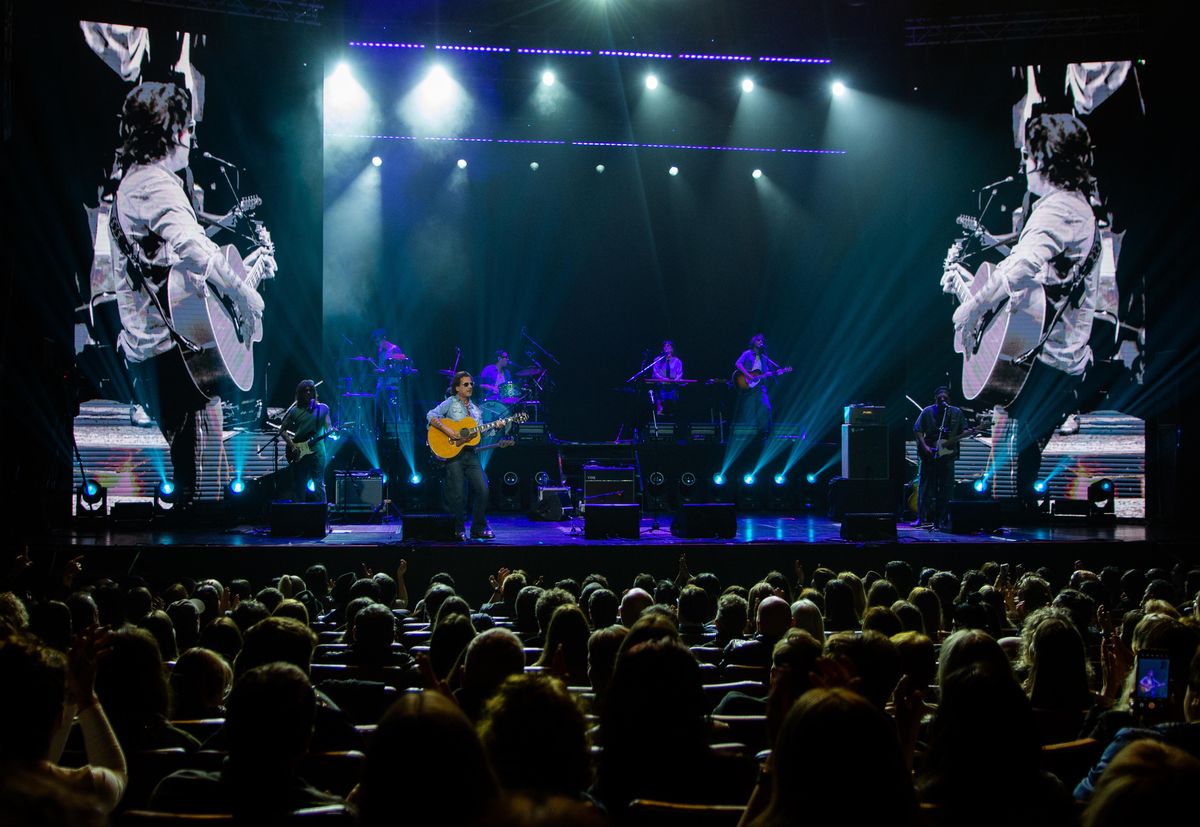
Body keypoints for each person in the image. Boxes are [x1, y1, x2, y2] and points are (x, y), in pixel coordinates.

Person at [111, 81, 271, 509]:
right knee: (202, 482)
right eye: (187, 128)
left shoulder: (144, 181)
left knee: (205, 472)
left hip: (173, 344)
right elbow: (194, 248)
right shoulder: (153, 185)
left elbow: (186, 271)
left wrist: (246, 272)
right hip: (168, 352)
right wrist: (244, 293)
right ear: (170, 131)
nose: (191, 138)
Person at [944, 112, 1103, 509]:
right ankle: (1016, 516)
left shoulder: (1060, 210)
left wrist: (972, 307)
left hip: (1048, 361)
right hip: (1040, 351)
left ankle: (1018, 516)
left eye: (1028, 155)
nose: (1024, 164)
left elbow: (1022, 266)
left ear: (1043, 159)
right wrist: (965, 285)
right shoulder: (1065, 206)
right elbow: (1024, 288)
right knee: (1017, 465)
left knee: (1017, 466)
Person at [427, 371, 494, 540]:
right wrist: (448, 430)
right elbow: (431, 415)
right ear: (457, 388)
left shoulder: (476, 409)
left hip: (471, 454)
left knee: (483, 489)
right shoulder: (450, 402)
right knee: (457, 494)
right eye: (466, 384)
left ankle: (478, 528)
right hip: (454, 454)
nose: (470, 386)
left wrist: (496, 427)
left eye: (471, 384)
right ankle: (457, 529)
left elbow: (481, 432)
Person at [913, 386, 967, 529]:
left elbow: (964, 429)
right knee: (925, 487)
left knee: (946, 489)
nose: (943, 400)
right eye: (940, 398)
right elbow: (917, 429)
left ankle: (943, 519)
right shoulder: (927, 411)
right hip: (929, 455)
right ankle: (921, 518)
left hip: (948, 456)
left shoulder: (956, 413)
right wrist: (925, 446)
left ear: (949, 399)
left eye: (945, 397)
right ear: (935, 399)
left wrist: (970, 432)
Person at [280, 379, 332, 503]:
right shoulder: (294, 411)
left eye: (310, 390)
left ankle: (322, 511)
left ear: (314, 392)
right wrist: (292, 445)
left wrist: (333, 432)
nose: (308, 392)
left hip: (318, 450)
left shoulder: (323, 408)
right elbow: (282, 430)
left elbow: (328, 427)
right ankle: (299, 511)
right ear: (300, 393)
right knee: (299, 483)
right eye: (305, 390)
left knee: (319, 482)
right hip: (299, 450)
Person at [734, 333, 777, 435]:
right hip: (748, 387)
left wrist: (775, 372)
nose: (760, 342)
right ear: (753, 342)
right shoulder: (747, 353)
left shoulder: (764, 357)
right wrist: (747, 375)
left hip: (760, 388)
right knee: (749, 413)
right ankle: (750, 435)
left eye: (762, 341)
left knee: (766, 409)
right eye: (758, 340)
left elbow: (765, 372)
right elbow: (738, 364)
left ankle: (764, 434)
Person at [647, 339, 684, 418]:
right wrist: (663, 379)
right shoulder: (657, 359)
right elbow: (655, 372)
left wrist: (675, 380)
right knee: (660, 408)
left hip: (672, 386)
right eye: (664, 346)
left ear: (672, 348)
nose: (666, 347)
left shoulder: (677, 361)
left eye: (668, 345)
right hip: (661, 386)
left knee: (672, 407)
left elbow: (680, 373)